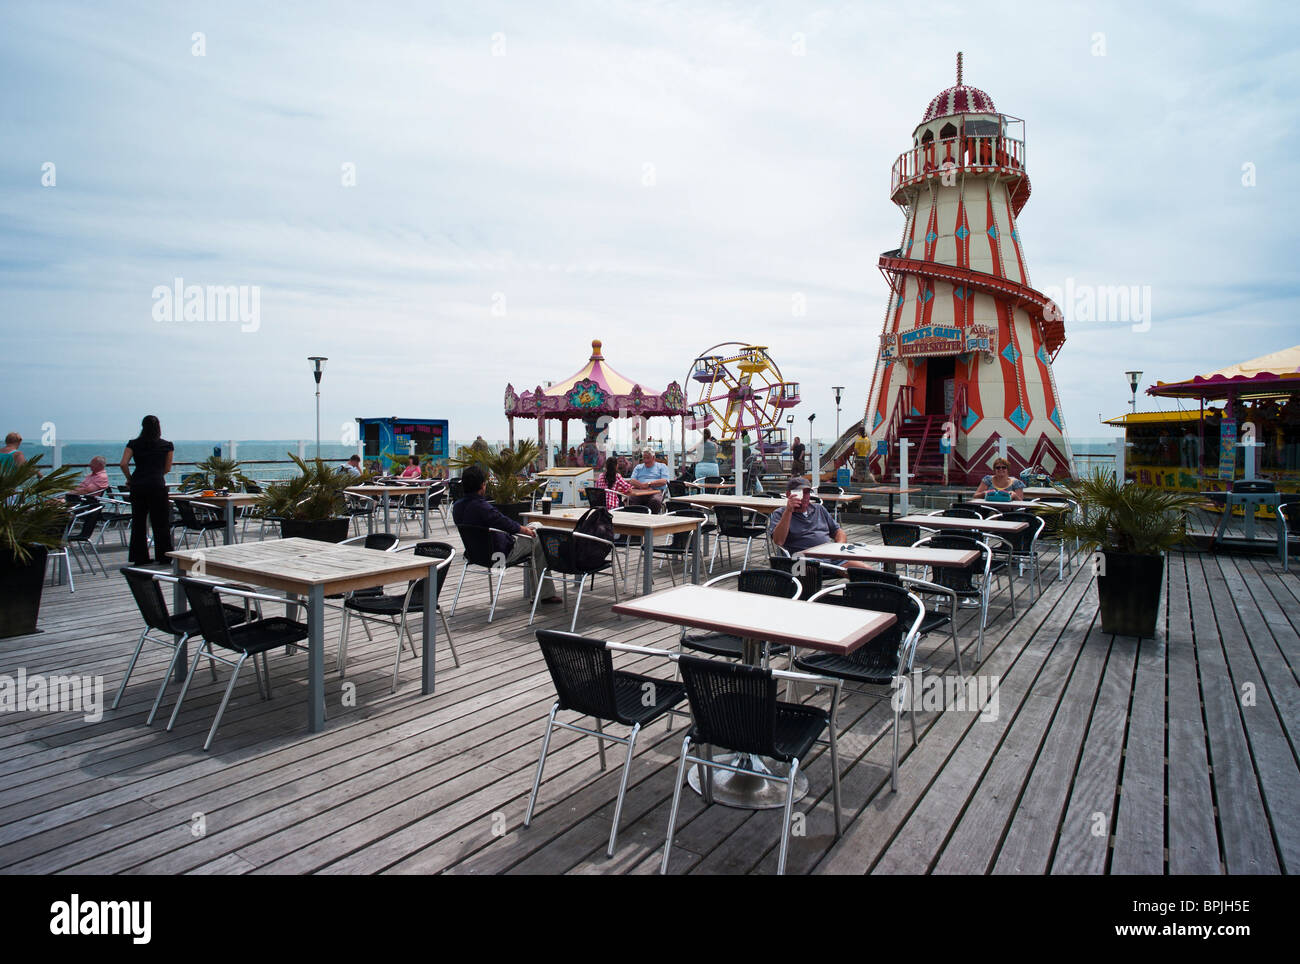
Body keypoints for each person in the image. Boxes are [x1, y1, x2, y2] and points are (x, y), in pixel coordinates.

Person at [452, 465, 558, 603]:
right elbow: (506, 523)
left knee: (535, 528)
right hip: (500, 553)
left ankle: (544, 593)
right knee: (538, 534)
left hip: (475, 554)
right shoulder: (482, 507)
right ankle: (544, 594)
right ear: (483, 485)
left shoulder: (457, 507)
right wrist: (525, 530)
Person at [121, 415, 174, 565]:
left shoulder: (133, 444)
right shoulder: (167, 445)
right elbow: (168, 468)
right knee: (161, 522)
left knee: (138, 521)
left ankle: (139, 557)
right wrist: (156, 474)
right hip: (157, 484)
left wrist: (130, 478)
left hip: (138, 485)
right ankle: (164, 555)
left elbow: (123, 463)